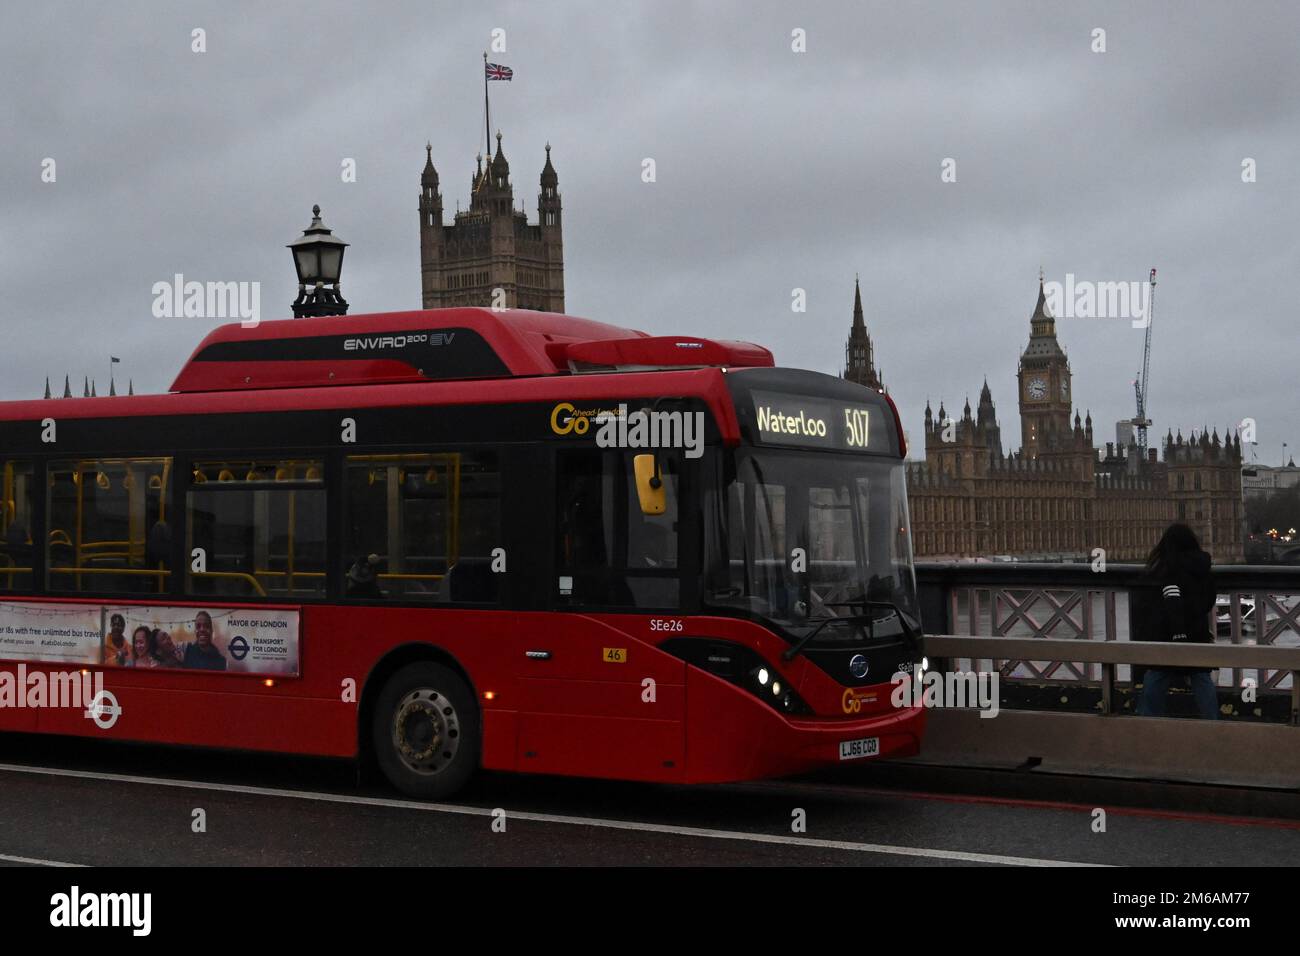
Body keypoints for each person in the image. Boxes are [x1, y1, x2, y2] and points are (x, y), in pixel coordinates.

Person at [1136, 523, 1219, 719]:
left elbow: (1167, 601)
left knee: (1156, 674)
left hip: (1170, 633)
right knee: (1201, 676)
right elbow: (1209, 599)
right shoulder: (1203, 567)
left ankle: (1148, 722)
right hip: (1197, 631)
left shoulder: (1167, 567)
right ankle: (1213, 722)